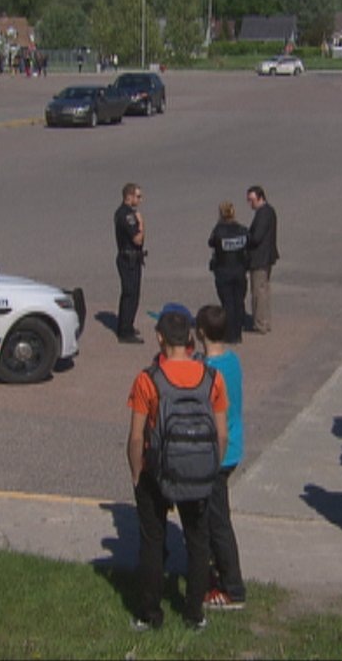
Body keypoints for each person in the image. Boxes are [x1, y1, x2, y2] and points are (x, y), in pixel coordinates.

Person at [127, 306, 229, 631]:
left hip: (157, 468)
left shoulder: (148, 379)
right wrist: (211, 466)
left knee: (153, 541)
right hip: (200, 469)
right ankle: (194, 613)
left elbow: (136, 435)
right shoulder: (213, 378)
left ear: (159, 338)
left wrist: (136, 472)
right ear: (189, 338)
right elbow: (222, 432)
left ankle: (150, 614)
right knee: (198, 541)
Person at [195, 305, 246, 610]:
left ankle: (232, 587)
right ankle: (214, 573)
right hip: (233, 446)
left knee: (217, 522)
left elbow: (215, 418)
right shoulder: (231, 360)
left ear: (200, 332)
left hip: (219, 452)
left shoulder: (209, 371)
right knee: (212, 517)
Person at [207, 201, 249, 344]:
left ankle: (229, 334)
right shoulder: (242, 229)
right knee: (238, 302)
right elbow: (251, 242)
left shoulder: (218, 231)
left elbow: (211, 242)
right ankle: (237, 334)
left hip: (224, 271)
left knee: (228, 303)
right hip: (239, 271)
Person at [245, 185, 279, 334]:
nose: (250, 204)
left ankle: (260, 323)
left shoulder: (263, 214)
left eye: (251, 200)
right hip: (266, 257)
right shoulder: (268, 212)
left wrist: (247, 237)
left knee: (259, 292)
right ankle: (264, 321)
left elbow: (257, 237)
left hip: (260, 258)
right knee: (263, 290)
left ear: (260, 198)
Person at [114, 183, 146, 343]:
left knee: (132, 294)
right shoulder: (127, 216)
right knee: (130, 294)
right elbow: (138, 239)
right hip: (129, 260)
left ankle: (127, 324)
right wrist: (141, 223)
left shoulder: (124, 213)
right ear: (129, 196)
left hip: (131, 258)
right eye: (138, 196)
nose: (140, 200)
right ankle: (125, 331)